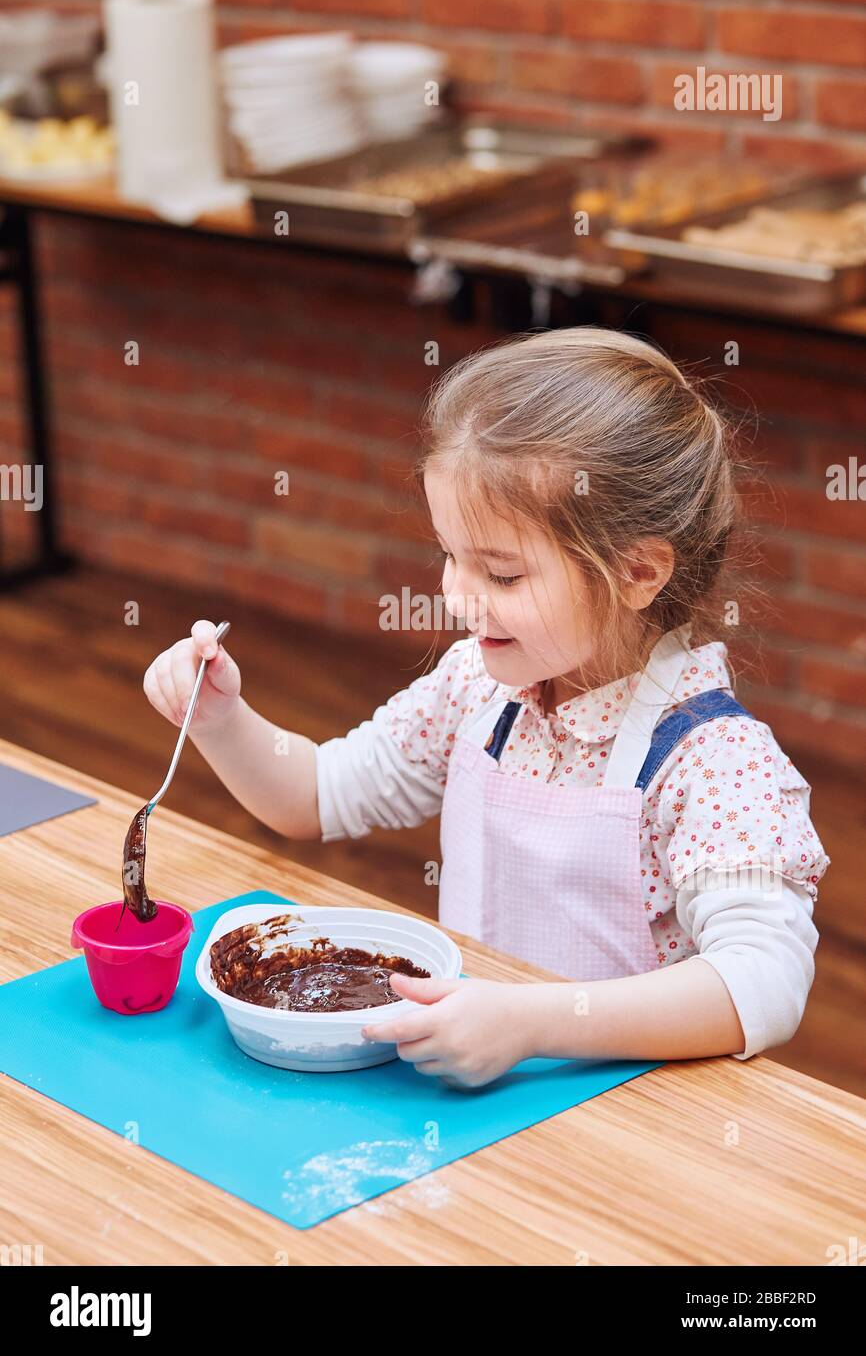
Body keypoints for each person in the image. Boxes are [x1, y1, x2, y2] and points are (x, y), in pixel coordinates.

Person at [144, 327, 829, 1088]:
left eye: (500, 574)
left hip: (630, 1122)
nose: (457, 594)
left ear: (637, 571)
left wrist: (530, 1022)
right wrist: (219, 720)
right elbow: (313, 795)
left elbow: (762, 985)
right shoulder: (478, 685)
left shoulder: (714, 762)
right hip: (480, 1093)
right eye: (448, 553)